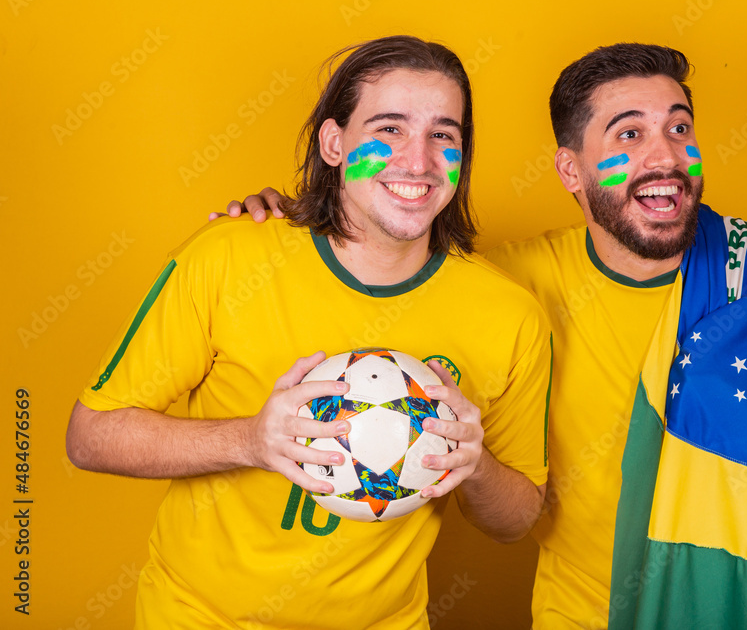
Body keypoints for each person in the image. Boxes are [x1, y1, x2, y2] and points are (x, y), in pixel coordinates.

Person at [226, 42, 747, 628]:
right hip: (581, 613)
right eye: (629, 134)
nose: (667, 155)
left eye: (680, 129)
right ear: (571, 169)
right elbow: (384, 263)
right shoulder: (508, 283)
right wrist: (302, 216)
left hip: (736, 609)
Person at [66, 35, 551, 630]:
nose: (418, 161)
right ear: (333, 143)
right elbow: (90, 436)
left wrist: (474, 468)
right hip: (198, 617)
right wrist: (250, 441)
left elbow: (518, 518)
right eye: (390, 129)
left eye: (442, 135)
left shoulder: (509, 313)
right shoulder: (230, 258)